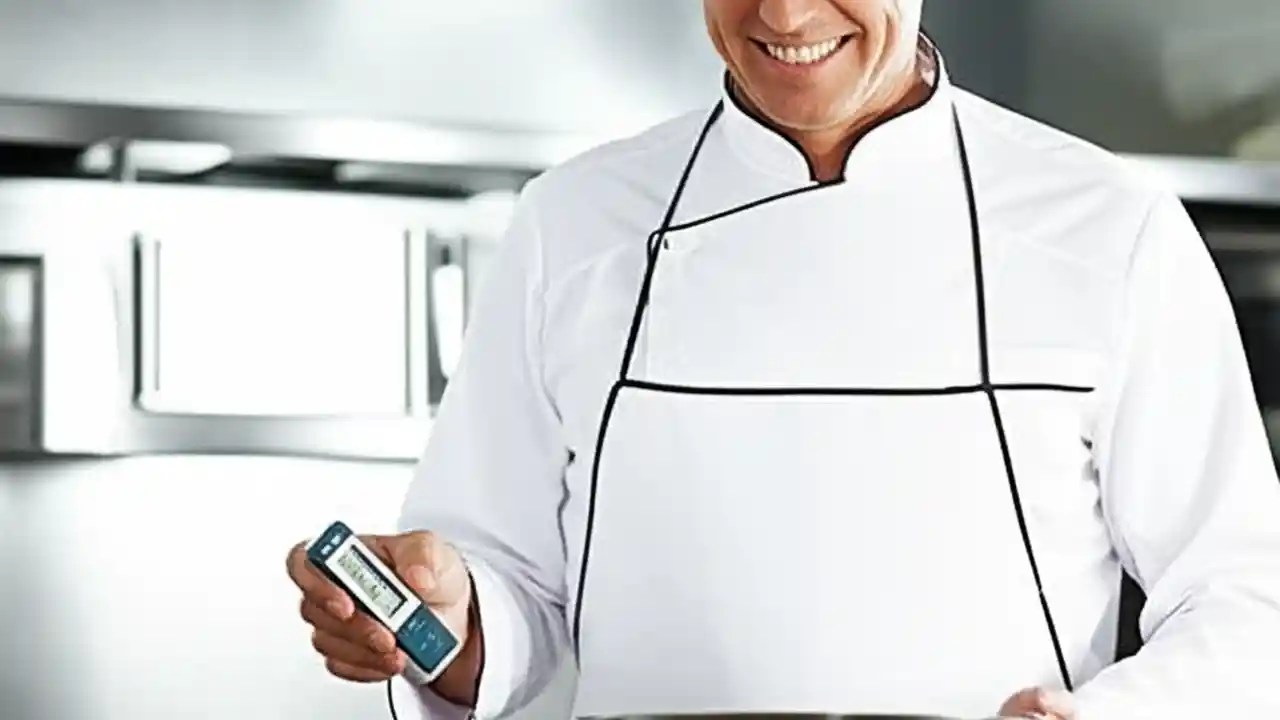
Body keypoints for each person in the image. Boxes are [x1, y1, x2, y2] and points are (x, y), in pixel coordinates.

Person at [287, 1, 1280, 718]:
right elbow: (502, 595)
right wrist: (445, 622)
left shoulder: (1108, 227)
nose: (784, 13)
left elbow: (1245, 597)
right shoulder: (572, 224)